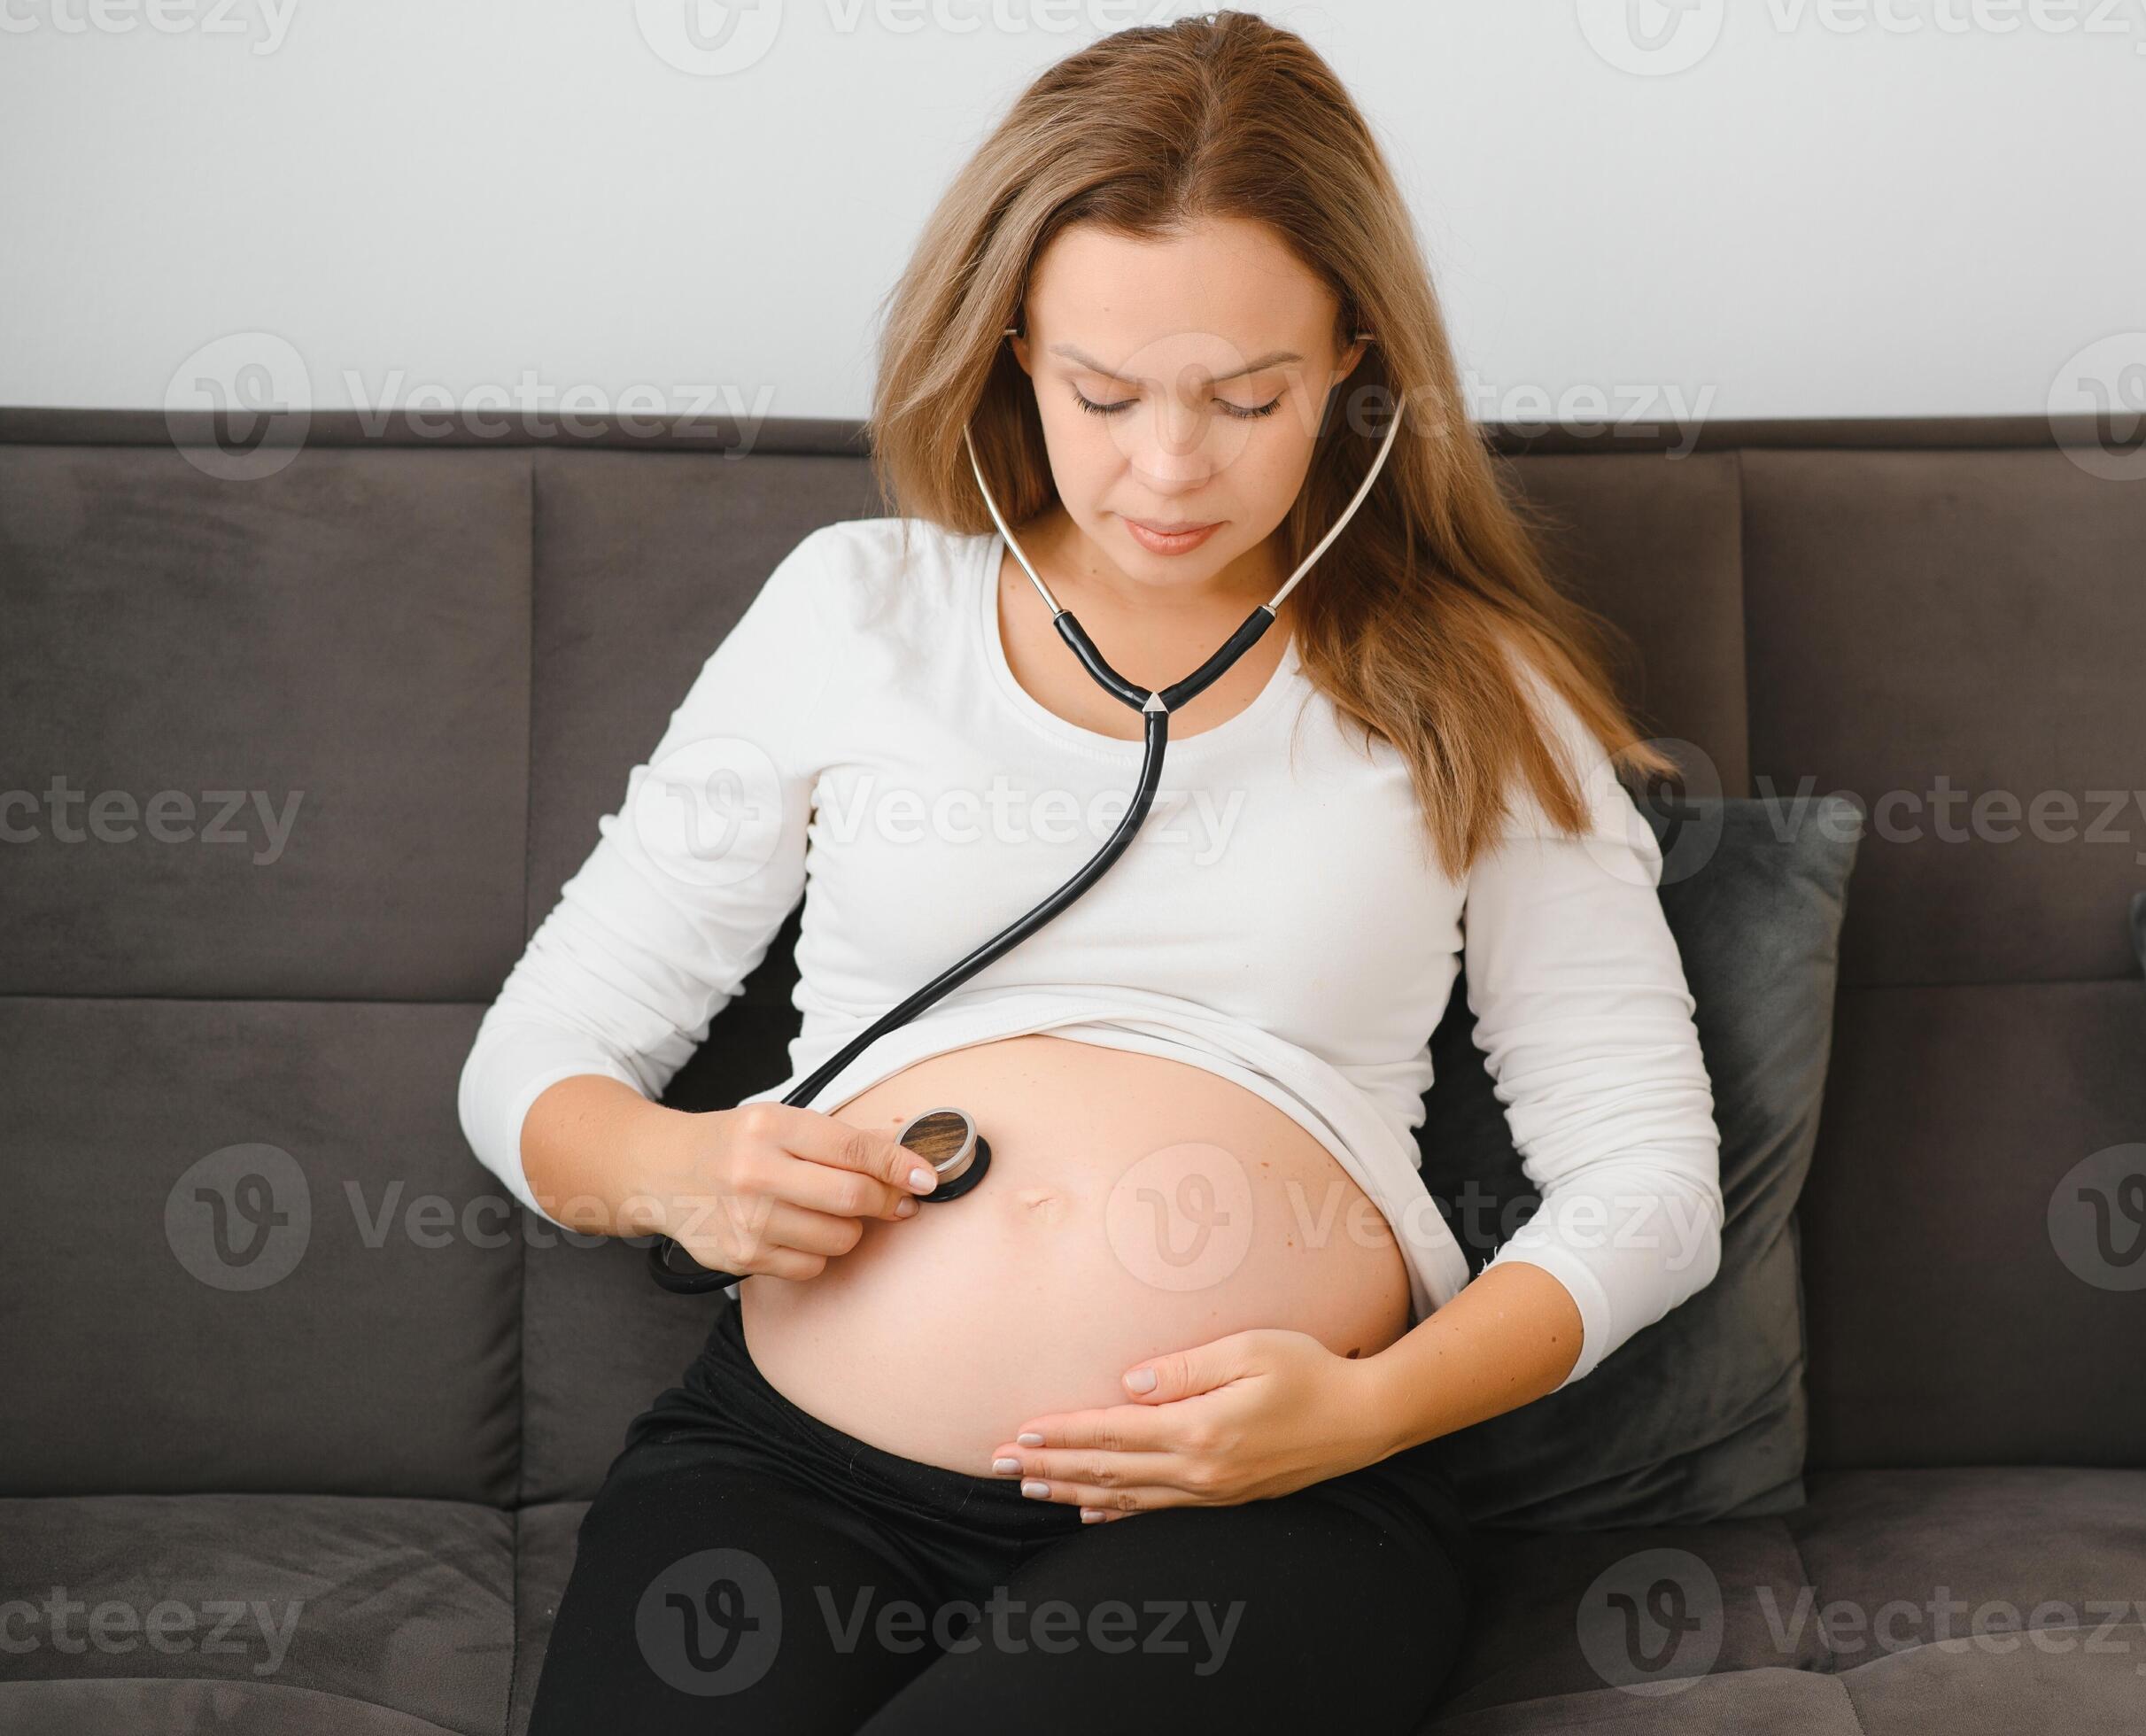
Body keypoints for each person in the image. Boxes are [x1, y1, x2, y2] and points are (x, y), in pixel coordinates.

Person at [458, 13, 1723, 1732]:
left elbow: (1650, 1183)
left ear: (1352, 352)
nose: (1170, 467)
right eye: (1104, 394)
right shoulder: (857, 609)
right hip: (793, 1472)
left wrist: (1369, 1410)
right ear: (1010, 354)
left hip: (1269, 1504)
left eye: (1247, 396)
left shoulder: (1476, 688)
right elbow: (532, 1065)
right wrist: (685, 1168)